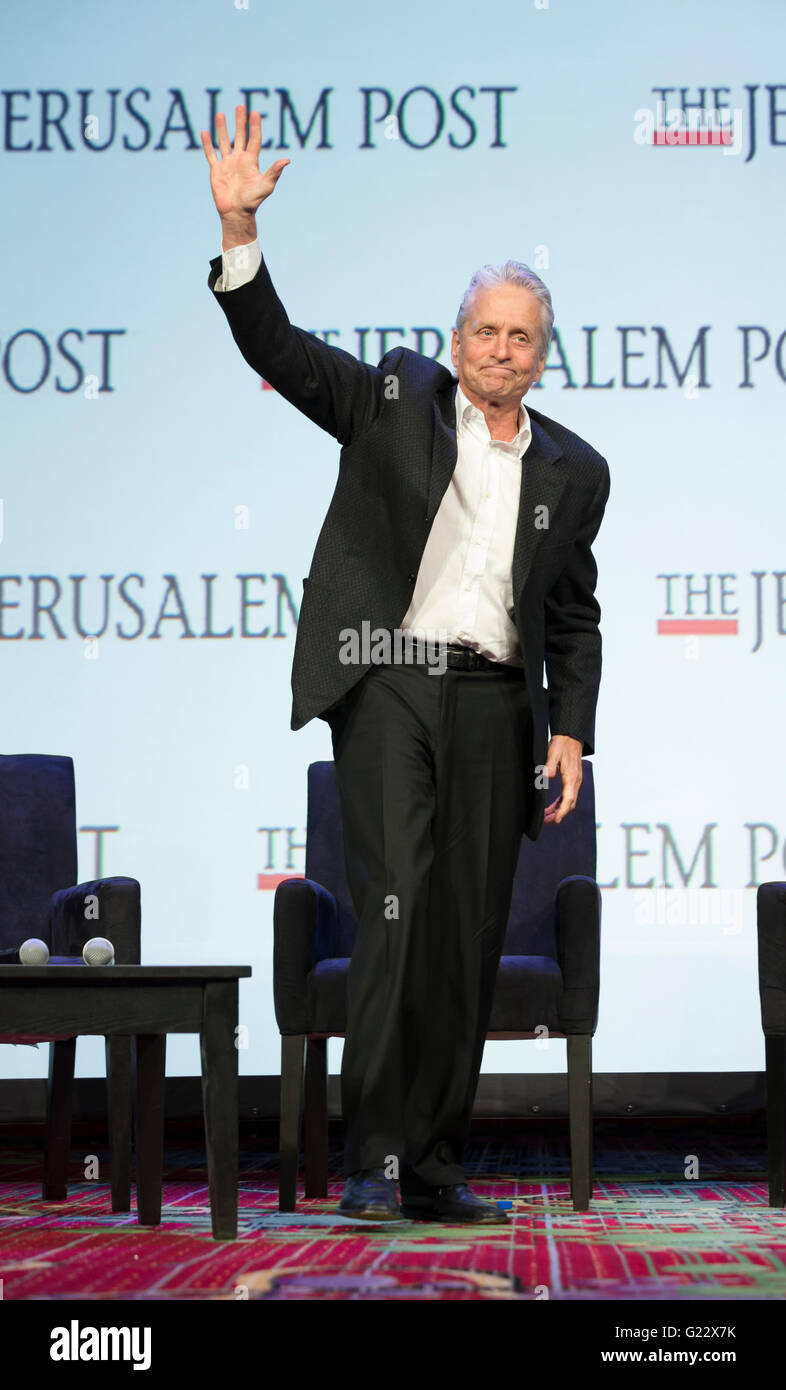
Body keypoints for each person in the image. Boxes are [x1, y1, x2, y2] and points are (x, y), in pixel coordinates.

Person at [202, 106, 610, 1225]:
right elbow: (280, 353)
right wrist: (240, 232)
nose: (501, 351)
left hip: (494, 704)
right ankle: (373, 1162)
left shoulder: (577, 471)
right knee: (393, 910)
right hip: (388, 683)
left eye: (522, 337)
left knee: (467, 934)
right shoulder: (392, 400)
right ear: (458, 336)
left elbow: (574, 619)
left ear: (543, 352)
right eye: (485, 332)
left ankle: (433, 1164)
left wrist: (569, 727)